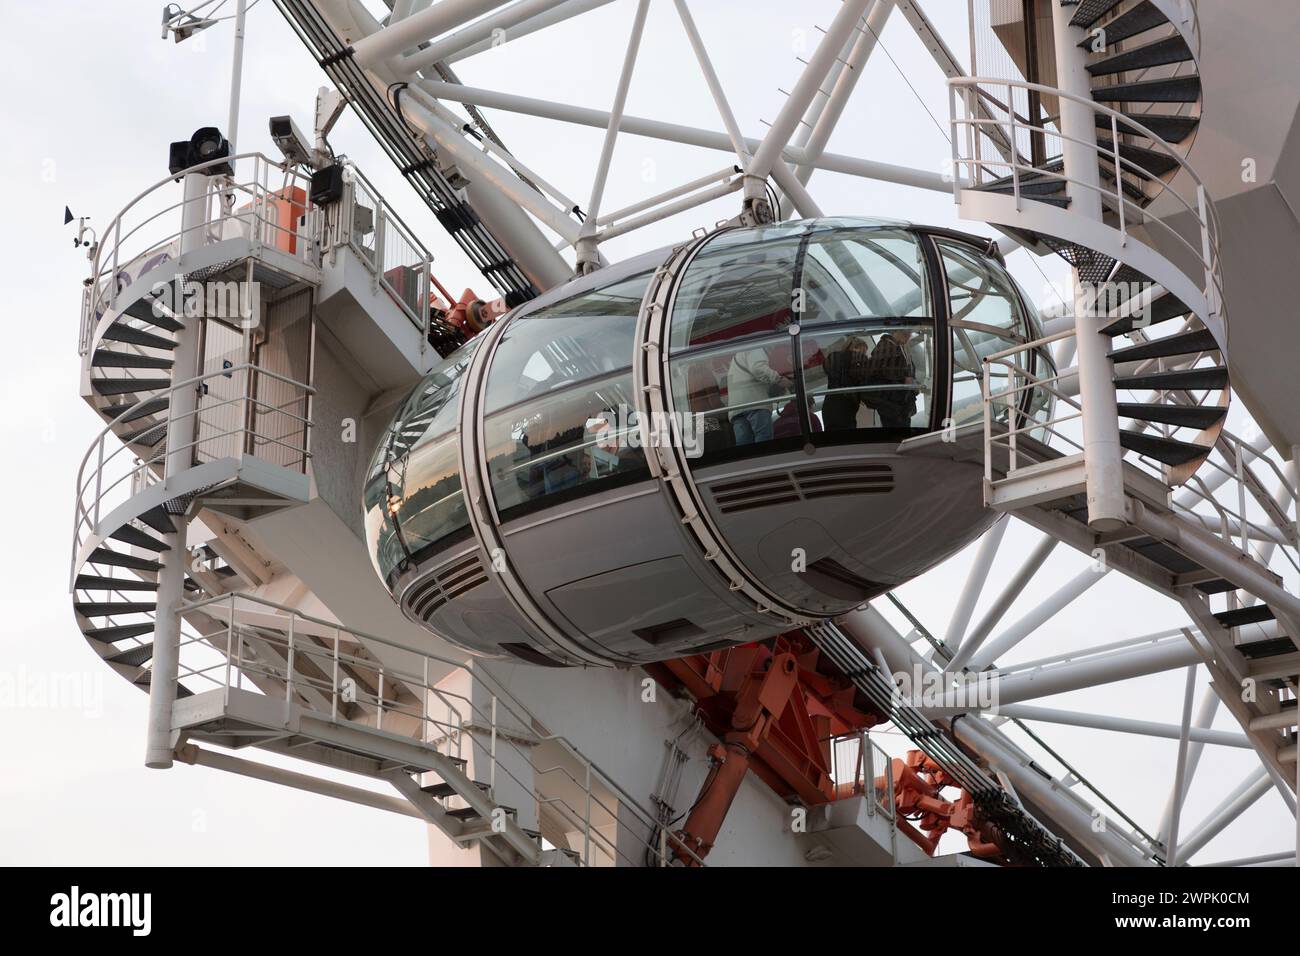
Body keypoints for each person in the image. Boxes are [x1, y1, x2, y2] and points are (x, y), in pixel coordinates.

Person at [726, 345, 791, 445]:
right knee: (764, 440)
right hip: (755, 405)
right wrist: (779, 379)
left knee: (744, 446)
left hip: (737, 410)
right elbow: (758, 368)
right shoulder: (755, 347)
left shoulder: (738, 358)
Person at [863, 329, 918, 429]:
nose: (908, 337)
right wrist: (905, 379)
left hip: (897, 403)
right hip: (893, 403)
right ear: (898, 332)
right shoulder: (887, 347)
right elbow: (882, 373)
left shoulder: (897, 348)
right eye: (906, 334)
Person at [820, 335, 870, 432]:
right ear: (855, 348)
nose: (864, 355)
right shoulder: (857, 360)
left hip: (829, 405)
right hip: (846, 407)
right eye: (863, 352)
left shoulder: (833, 358)